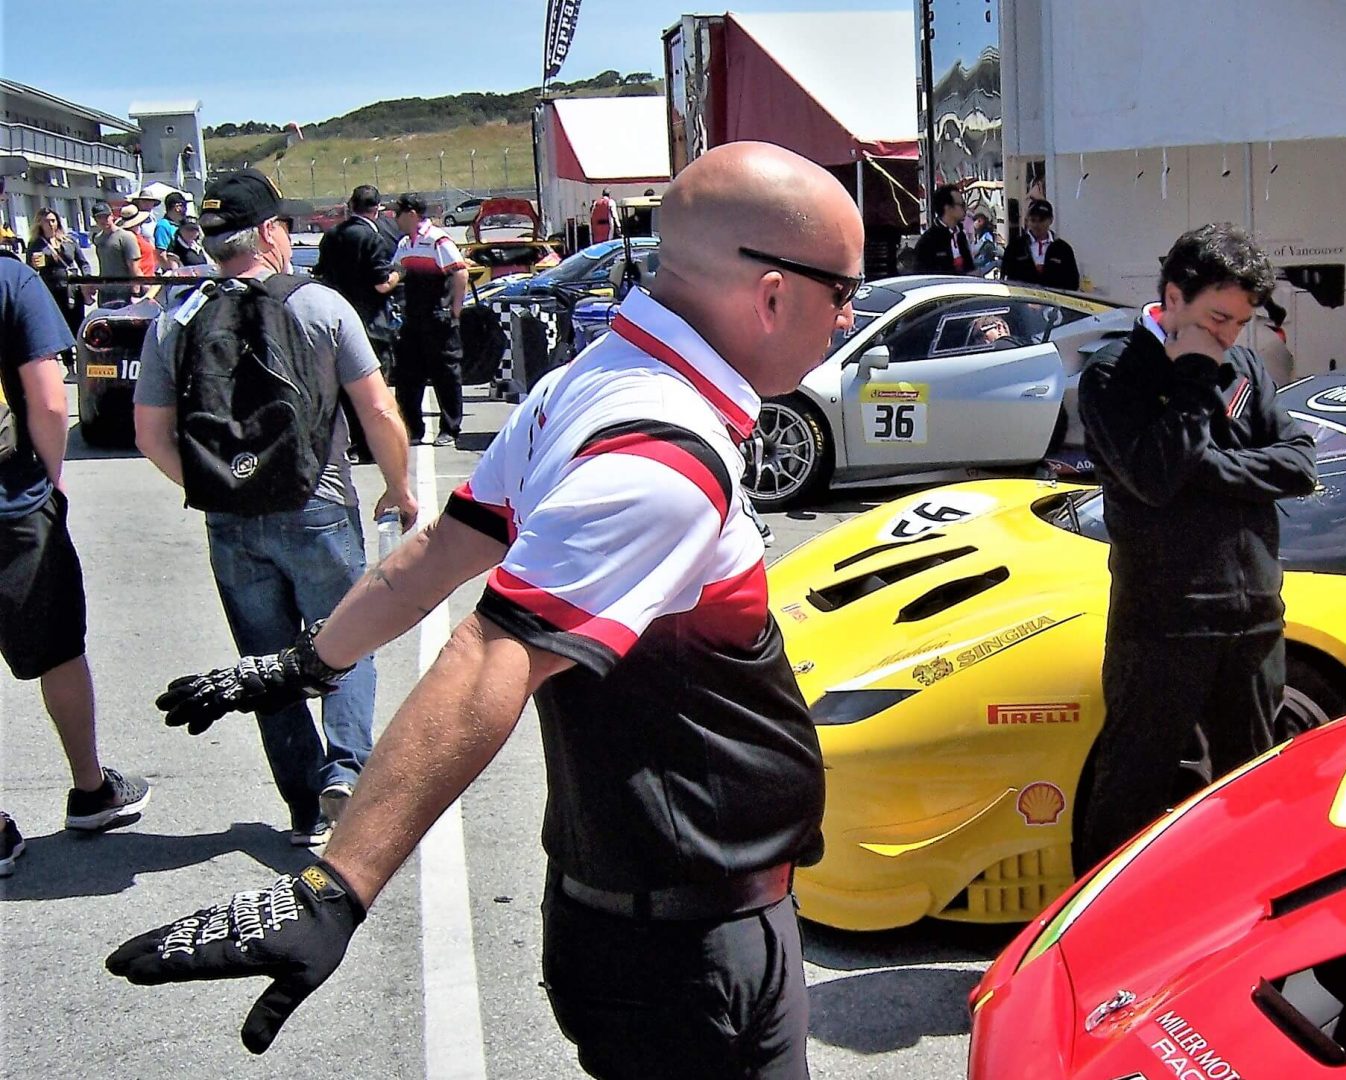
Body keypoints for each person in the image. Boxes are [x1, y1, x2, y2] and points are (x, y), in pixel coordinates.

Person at [107, 141, 853, 1079]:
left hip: (649, 913)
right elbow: (489, 653)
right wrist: (337, 887)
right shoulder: (662, 459)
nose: (848, 316)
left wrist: (308, 664)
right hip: (691, 944)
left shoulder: (587, 385)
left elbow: (442, 550)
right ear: (776, 294)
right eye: (843, 292)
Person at [131, 168, 417, 847]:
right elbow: (377, 408)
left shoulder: (177, 319)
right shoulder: (321, 306)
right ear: (267, 233)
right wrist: (400, 489)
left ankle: (303, 809)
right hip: (317, 503)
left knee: (265, 666)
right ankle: (345, 769)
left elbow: (149, 434)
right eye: (283, 225)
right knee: (347, 638)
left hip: (231, 519)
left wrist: (211, 488)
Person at [1073, 223, 1318, 877]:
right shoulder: (1113, 376)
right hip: (1164, 620)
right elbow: (1153, 476)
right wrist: (1189, 378)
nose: (1229, 337)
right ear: (1174, 298)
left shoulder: (1243, 365)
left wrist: (1207, 469)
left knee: (1253, 790)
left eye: (1239, 323)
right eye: (1217, 318)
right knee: (1132, 792)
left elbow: (1300, 463)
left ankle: (1240, 937)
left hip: (1254, 615)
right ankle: (1092, 949)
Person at [0, 259, 154, 876]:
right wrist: (51, 484)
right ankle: (91, 791)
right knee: (59, 648)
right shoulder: (11, 280)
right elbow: (44, 396)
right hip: (11, 500)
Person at [314, 185, 399, 462]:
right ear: (376, 208)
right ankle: (371, 445)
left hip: (336, 318)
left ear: (351, 205)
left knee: (342, 387)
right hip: (370, 321)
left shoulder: (332, 236)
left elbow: (321, 275)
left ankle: (351, 442)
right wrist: (400, 273)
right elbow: (381, 284)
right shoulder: (372, 238)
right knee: (374, 386)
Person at [383, 193, 468, 446]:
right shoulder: (405, 244)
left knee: (445, 374)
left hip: (438, 318)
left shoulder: (437, 240)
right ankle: (413, 429)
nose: (394, 218)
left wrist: (455, 310)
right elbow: (398, 269)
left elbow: (460, 272)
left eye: (397, 213)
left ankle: (450, 428)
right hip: (413, 318)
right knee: (409, 376)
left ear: (411, 214)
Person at [26, 208, 85, 351]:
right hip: (52, 290)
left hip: (73, 289)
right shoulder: (35, 244)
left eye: (53, 220)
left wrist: (87, 282)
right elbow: (29, 271)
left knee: (78, 325)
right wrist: (34, 265)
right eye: (46, 221)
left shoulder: (69, 240)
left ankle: (82, 361)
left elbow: (83, 263)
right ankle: (69, 364)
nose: (51, 224)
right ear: (40, 223)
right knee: (59, 328)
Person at [1000, 198, 1081, 291]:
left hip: (1054, 302)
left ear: (1051, 220)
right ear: (1027, 221)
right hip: (1023, 301)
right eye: (1033, 220)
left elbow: (1073, 283)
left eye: (1042, 220)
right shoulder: (1015, 247)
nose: (1037, 225)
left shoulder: (1063, 249)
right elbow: (1005, 279)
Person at [912, 184, 974, 275]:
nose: (965, 209)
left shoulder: (961, 235)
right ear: (948, 208)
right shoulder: (928, 241)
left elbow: (969, 267)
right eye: (961, 205)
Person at [89, 204, 144, 306]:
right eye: (99, 217)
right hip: (105, 293)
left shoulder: (125, 237)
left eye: (106, 216)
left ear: (112, 216)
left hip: (123, 293)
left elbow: (134, 268)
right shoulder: (98, 238)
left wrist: (135, 293)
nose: (103, 220)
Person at [153, 191, 189, 261]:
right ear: (177, 207)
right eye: (184, 206)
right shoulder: (163, 226)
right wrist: (173, 269)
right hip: (176, 269)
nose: (186, 209)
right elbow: (161, 254)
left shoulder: (183, 225)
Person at [969, 211, 1002, 277]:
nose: (973, 224)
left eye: (975, 221)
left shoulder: (986, 237)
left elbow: (985, 257)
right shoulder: (979, 236)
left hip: (986, 270)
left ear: (980, 221)